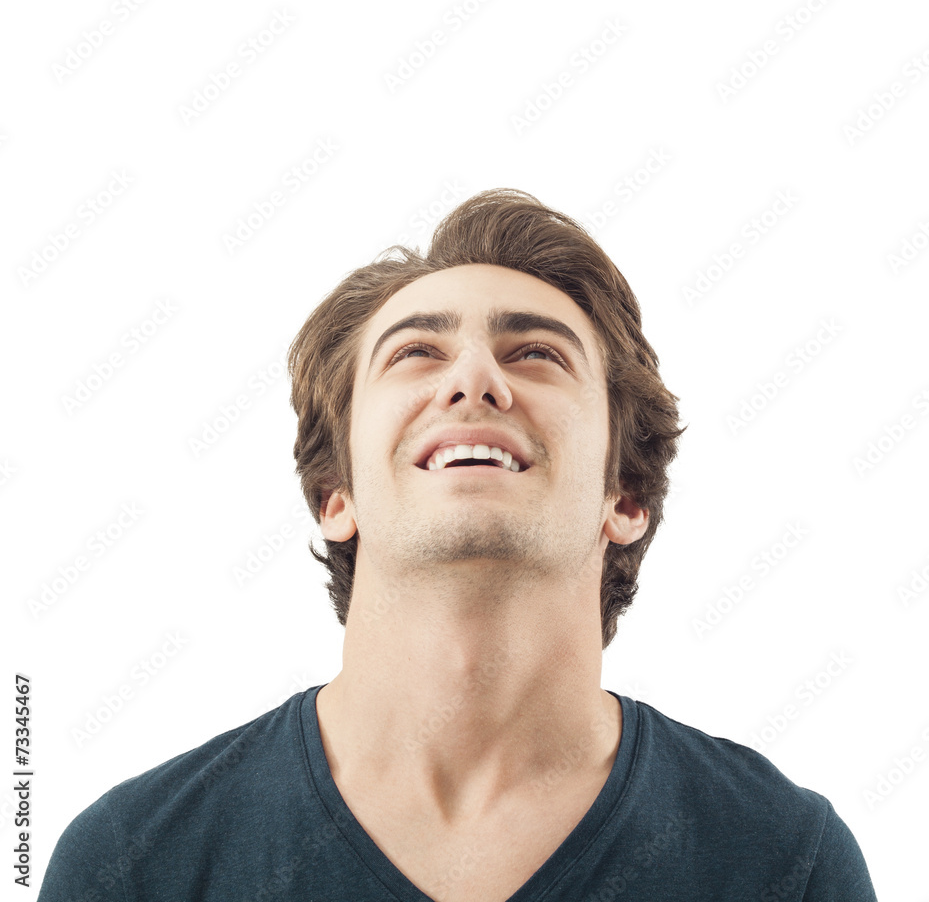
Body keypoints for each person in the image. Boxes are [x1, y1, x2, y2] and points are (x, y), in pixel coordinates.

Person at [38, 188, 877, 900]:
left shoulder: (783, 861)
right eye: (416, 352)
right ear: (335, 495)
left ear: (624, 497)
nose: (474, 378)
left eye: (536, 353)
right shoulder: (133, 862)